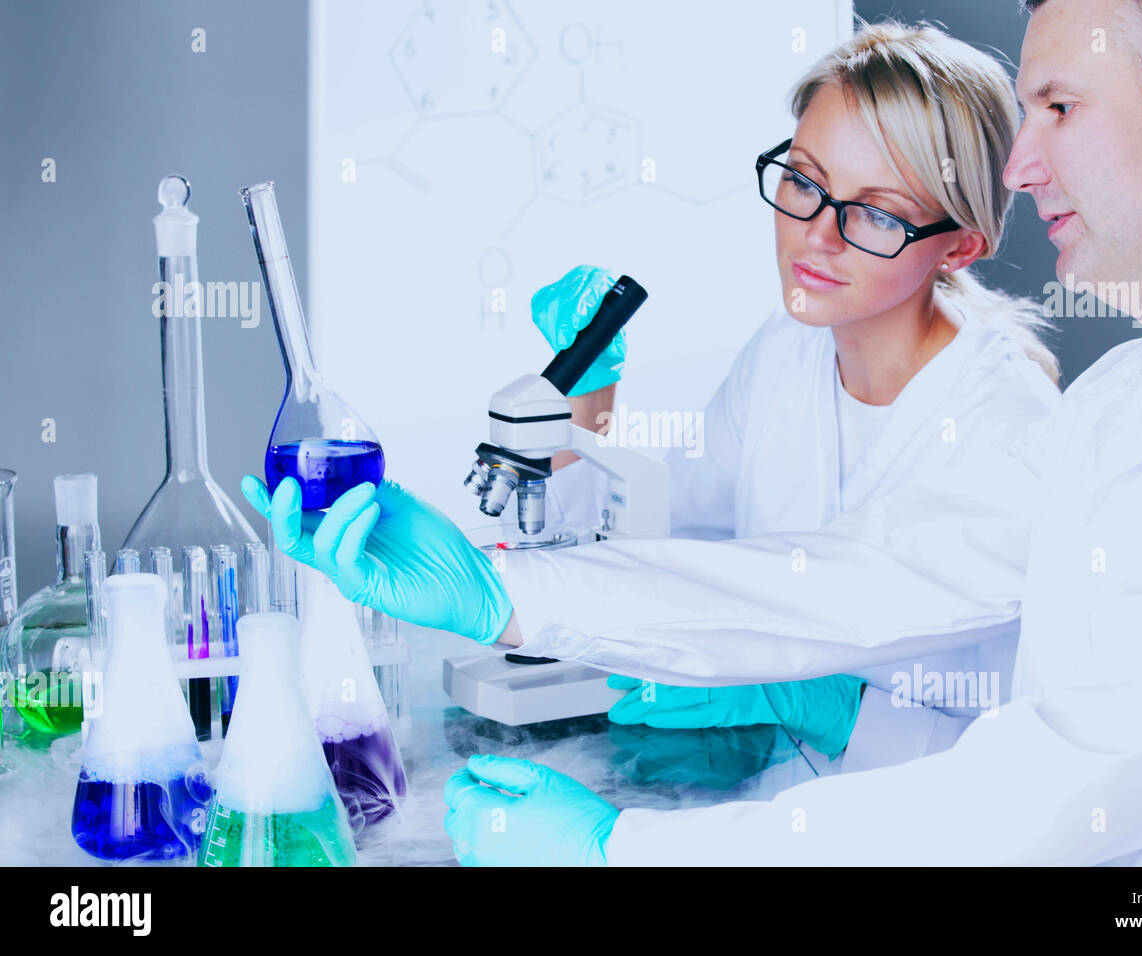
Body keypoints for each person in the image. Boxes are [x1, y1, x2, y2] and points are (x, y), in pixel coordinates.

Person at [436, 0, 1142, 865]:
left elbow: (1033, 796)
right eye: (805, 183)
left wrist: (620, 848)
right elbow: (860, 573)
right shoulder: (1124, 395)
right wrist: (513, 597)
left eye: (1061, 108)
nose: (1021, 166)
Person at [245, 20, 1062, 771]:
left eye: (876, 216)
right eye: (804, 182)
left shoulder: (1011, 431)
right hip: (768, 806)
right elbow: (666, 548)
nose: (814, 234)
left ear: (960, 245)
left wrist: (834, 711)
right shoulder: (792, 349)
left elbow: (1020, 767)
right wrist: (589, 396)